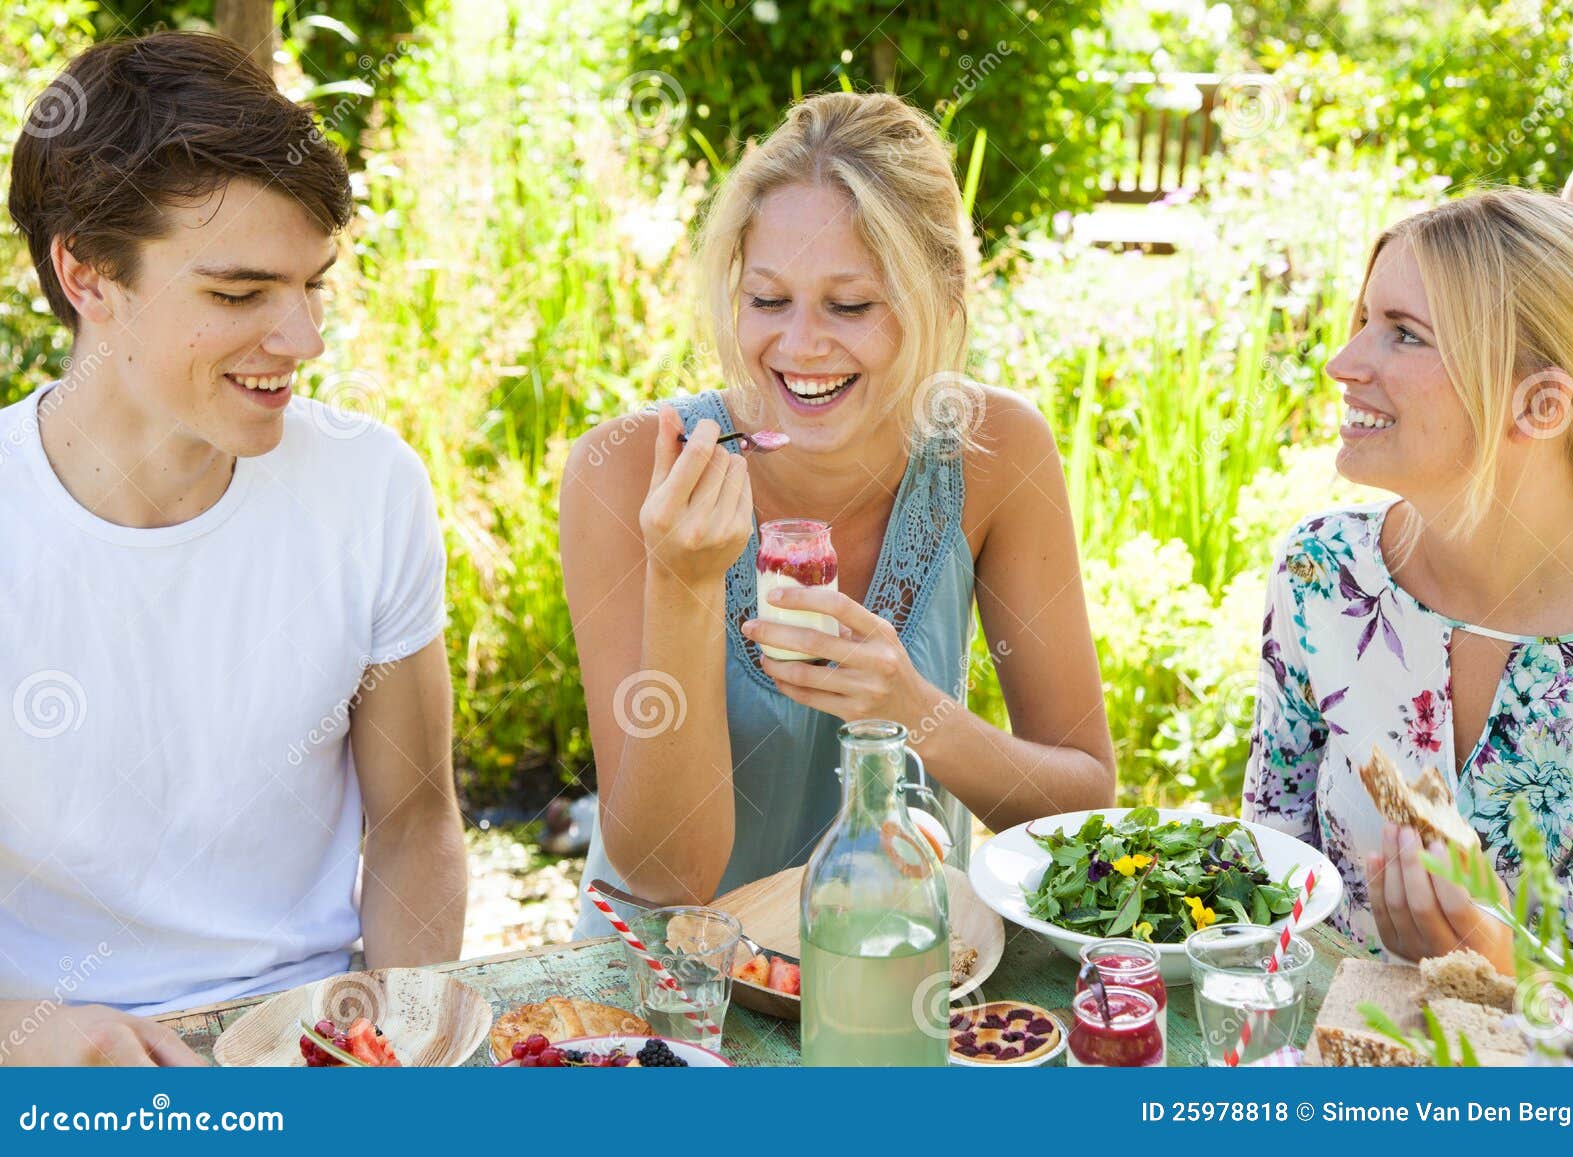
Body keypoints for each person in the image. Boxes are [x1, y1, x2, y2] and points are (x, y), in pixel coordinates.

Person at [0, 31, 467, 1061]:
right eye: (240, 293)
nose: (302, 339)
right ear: (86, 273)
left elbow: (415, 821)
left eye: (313, 285)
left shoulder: (368, 486)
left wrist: (408, 1032)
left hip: (312, 1045)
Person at [561, 91, 1116, 938]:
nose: (801, 345)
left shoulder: (998, 451)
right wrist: (684, 584)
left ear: (939, 296)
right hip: (679, 1004)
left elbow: (1081, 801)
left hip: (905, 978)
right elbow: (665, 873)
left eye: (850, 305)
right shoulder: (627, 473)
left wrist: (911, 707)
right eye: (768, 300)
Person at [1242, 188, 1573, 972]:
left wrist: (1497, 967)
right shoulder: (1320, 575)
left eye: (1404, 335)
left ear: (1541, 405)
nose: (1343, 363)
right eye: (1364, 320)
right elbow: (1267, 881)